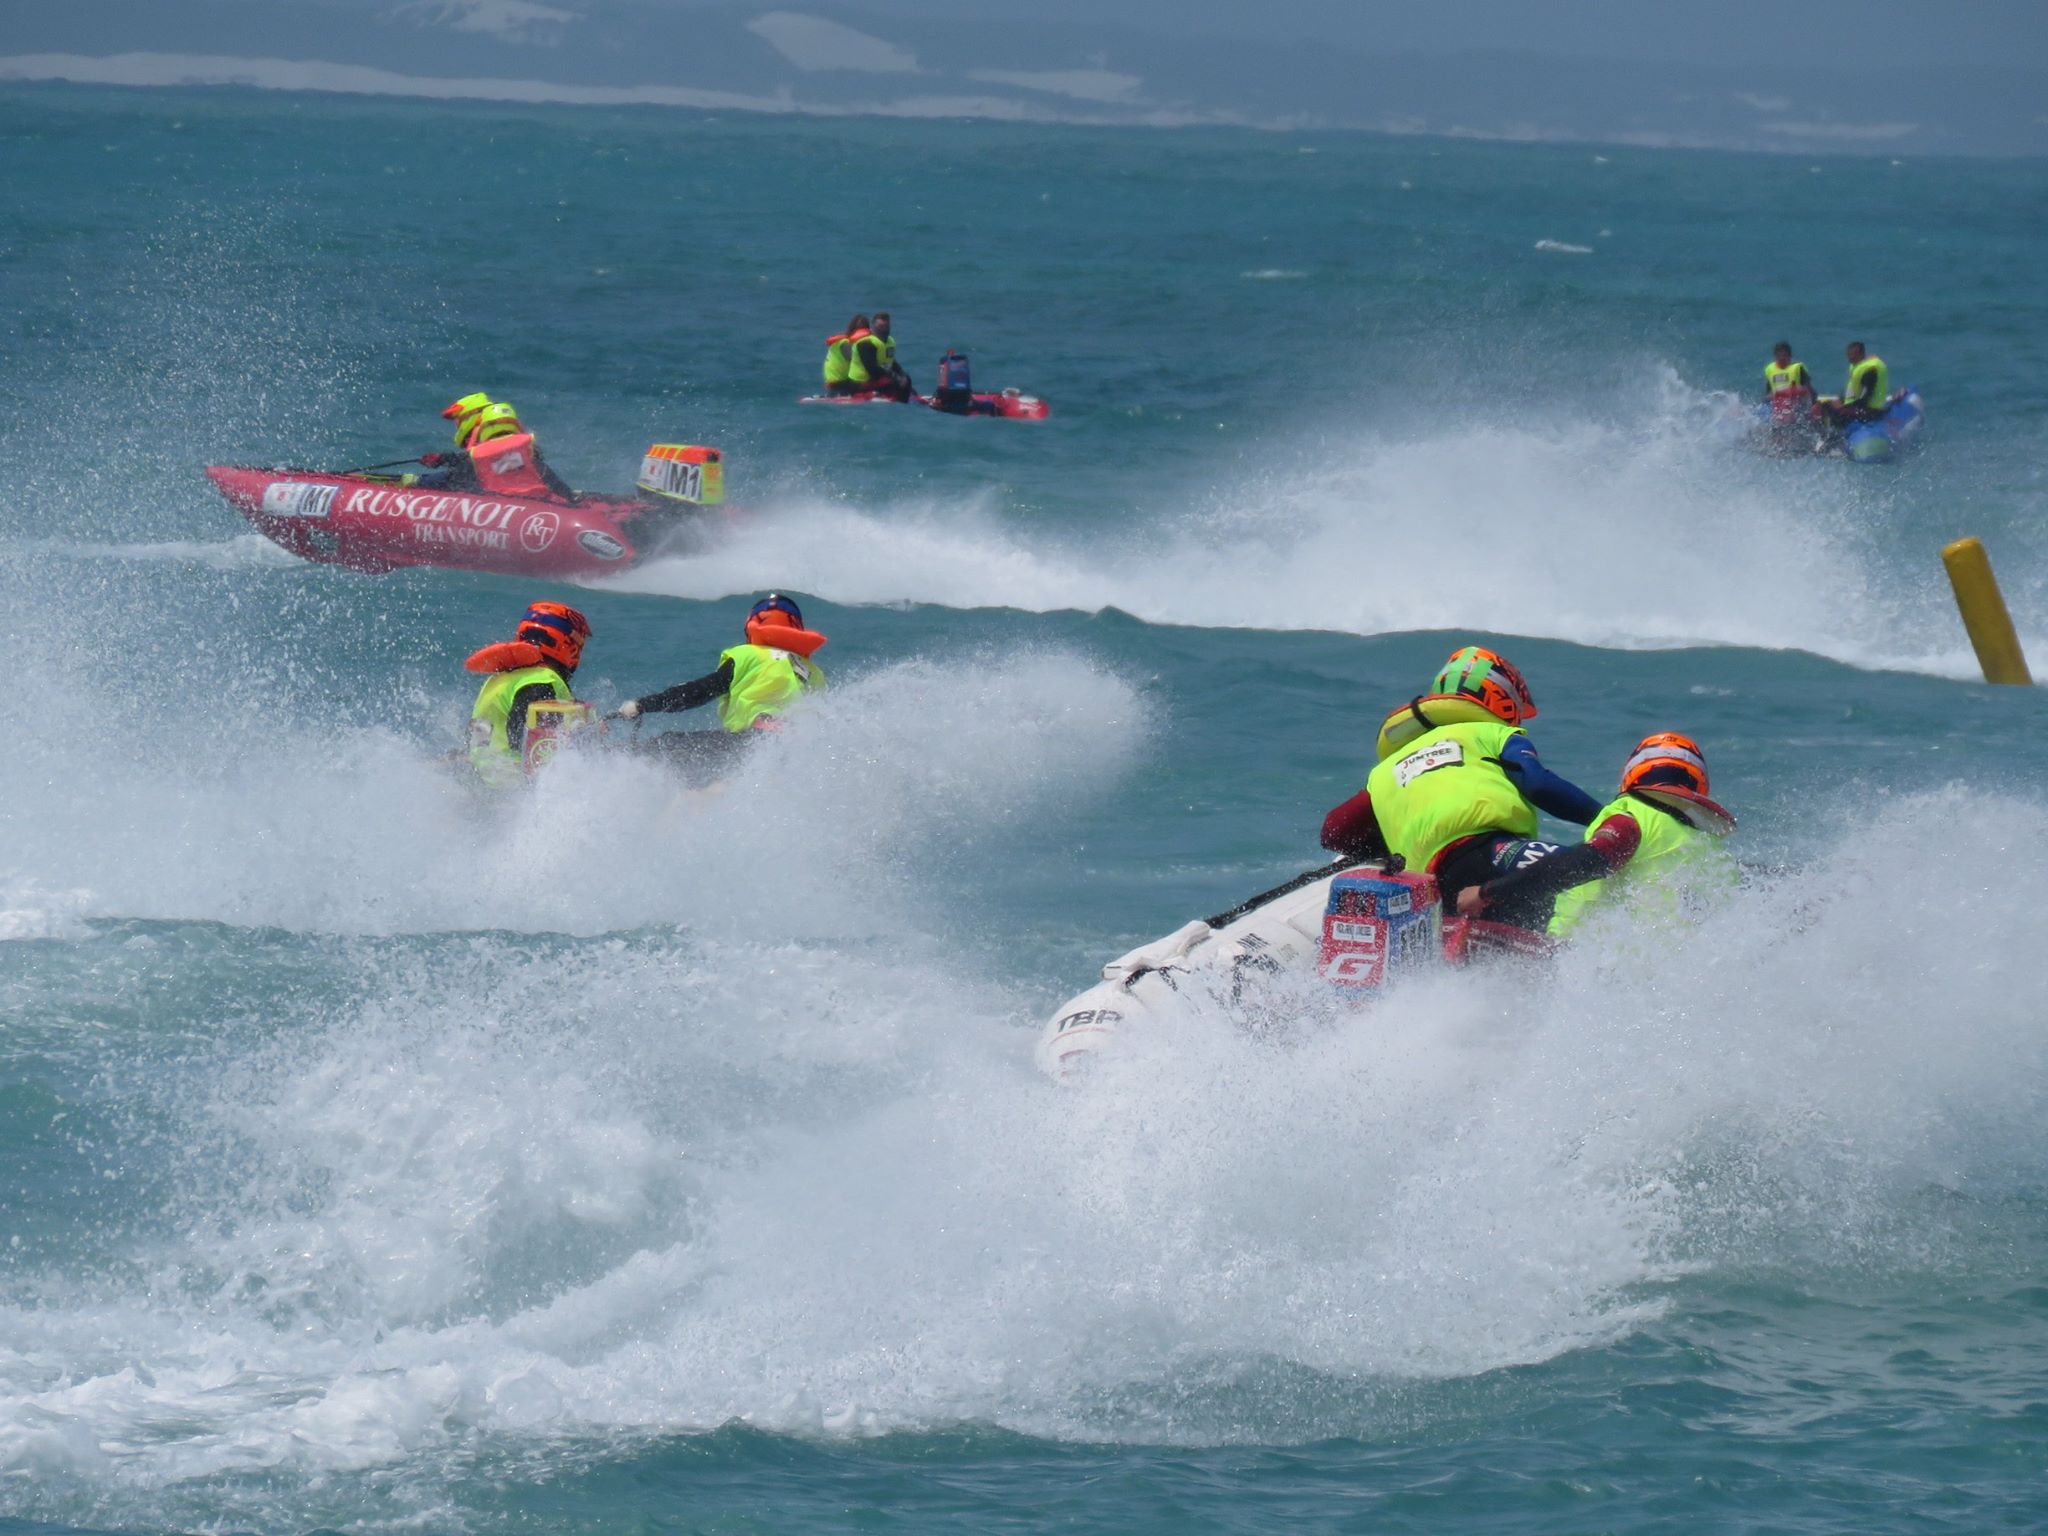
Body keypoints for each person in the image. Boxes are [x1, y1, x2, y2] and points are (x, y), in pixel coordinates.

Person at [1319, 646, 1603, 915]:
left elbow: (1334, 832)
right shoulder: (1492, 733)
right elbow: (1539, 784)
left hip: (1429, 888)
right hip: (1490, 854)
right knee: (1593, 862)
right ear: (1504, 701)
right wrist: (1604, 817)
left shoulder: (1384, 770)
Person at [1452, 732, 1738, 937]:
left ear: (1631, 775)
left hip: (1593, 967)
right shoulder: (1715, 854)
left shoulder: (1635, 816)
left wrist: (1486, 893)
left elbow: (1584, 863)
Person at [614, 593, 828, 779]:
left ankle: (609, 762)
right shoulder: (815, 673)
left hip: (754, 743)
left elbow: (699, 691)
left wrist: (643, 705)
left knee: (665, 744)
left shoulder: (748, 655)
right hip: (795, 752)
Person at [464, 601, 593, 789]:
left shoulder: (500, 678)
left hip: (482, 779)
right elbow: (524, 728)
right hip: (513, 785)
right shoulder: (543, 681)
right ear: (568, 646)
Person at [410, 397, 575, 502]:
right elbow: (560, 489)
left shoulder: (478, 460)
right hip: (542, 511)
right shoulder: (528, 455)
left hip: (515, 516)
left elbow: (447, 480)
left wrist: (414, 481)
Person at [1819, 341, 1890, 427]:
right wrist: (1841, 400)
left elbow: (1864, 400)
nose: (1849, 358)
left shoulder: (1870, 371)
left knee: (1832, 409)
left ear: (1861, 354)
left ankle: (1834, 437)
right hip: (1863, 407)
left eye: (1852, 355)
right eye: (1848, 355)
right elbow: (1853, 392)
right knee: (1824, 404)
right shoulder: (1857, 366)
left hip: (1872, 411)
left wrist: (1842, 407)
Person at [850, 311, 914, 401]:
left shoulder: (890, 341)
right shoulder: (865, 343)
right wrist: (895, 378)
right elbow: (872, 369)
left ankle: (906, 399)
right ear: (873, 327)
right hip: (860, 382)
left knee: (906, 379)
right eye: (880, 327)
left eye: (886, 326)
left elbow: (892, 362)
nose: (883, 329)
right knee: (893, 383)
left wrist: (902, 375)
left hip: (881, 378)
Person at [1762, 342, 1815, 418]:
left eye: (1784, 355)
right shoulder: (1770, 370)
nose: (1781, 358)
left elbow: (1809, 390)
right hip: (1778, 405)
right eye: (1779, 356)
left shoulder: (1798, 368)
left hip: (1796, 403)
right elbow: (1769, 392)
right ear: (1775, 357)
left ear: (1790, 357)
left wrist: (1813, 404)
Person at [823, 315, 872, 396]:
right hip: (839, 383)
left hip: (836, 382)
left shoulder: (844, 341)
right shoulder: (844, 343)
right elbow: (857, 361)